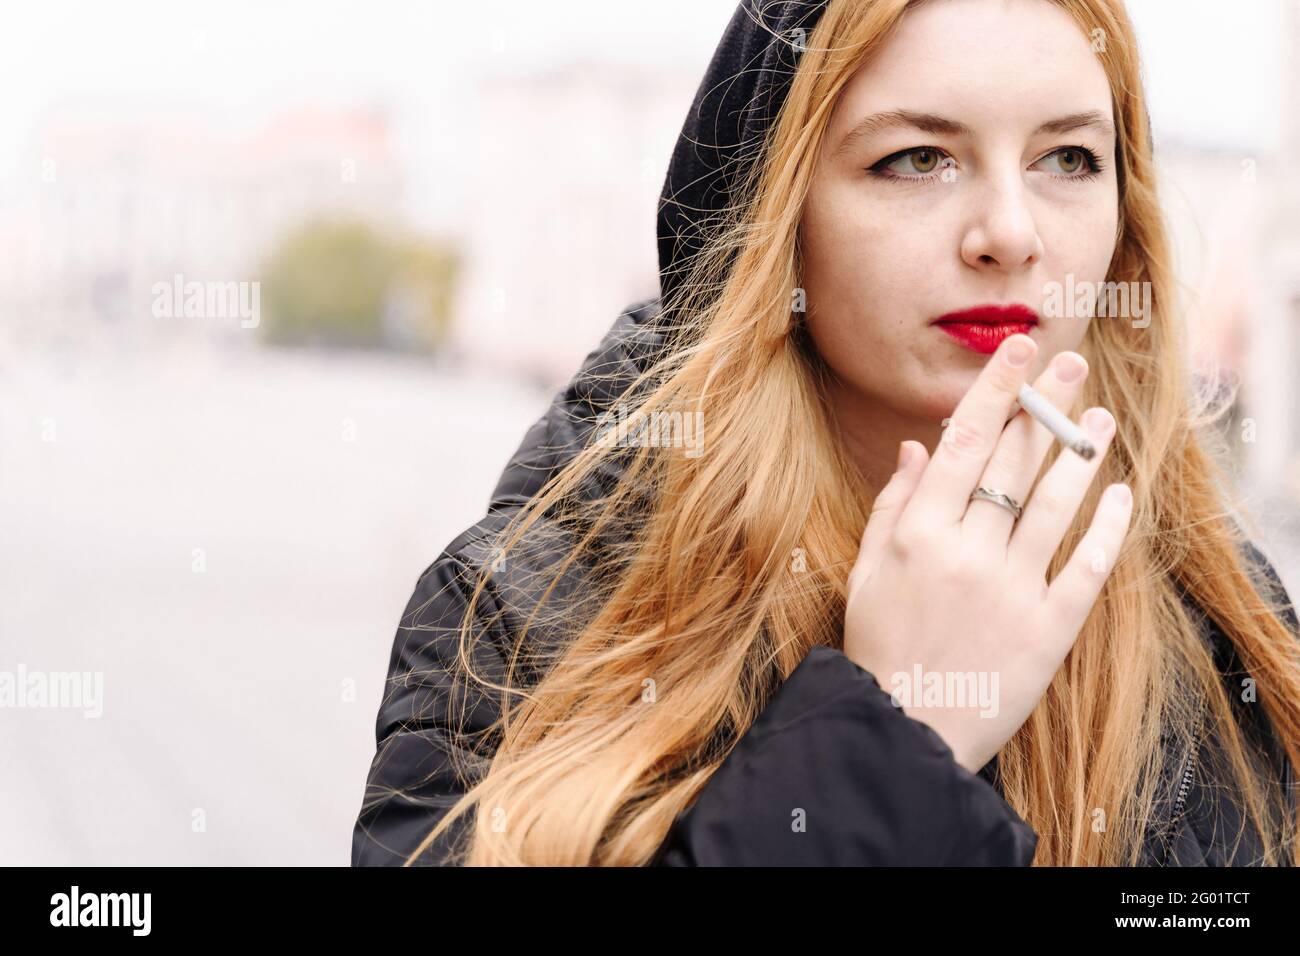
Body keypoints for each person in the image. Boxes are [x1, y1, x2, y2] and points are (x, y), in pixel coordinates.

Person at [351, 0, 1300, 866]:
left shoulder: (1220, 611)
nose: (1010, 234)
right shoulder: (525, 614)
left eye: (1068, 159)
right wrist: (889, 744)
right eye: (917, 158)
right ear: (774, 211)